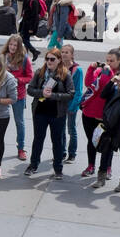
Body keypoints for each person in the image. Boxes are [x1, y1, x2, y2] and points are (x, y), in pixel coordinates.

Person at [25, 50, 74, 179]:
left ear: (59, 60)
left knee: (57, 141)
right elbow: (30, 89)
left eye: (52, 59)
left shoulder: (65, 74)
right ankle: (33, 165)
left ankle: (58, 169)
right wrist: (42, 93)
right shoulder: (39, 72)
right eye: (47, 59)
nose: (49, 62)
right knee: (38, 140)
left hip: (57, 114)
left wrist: (52, 95)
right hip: (40, 112)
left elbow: (70, 94)